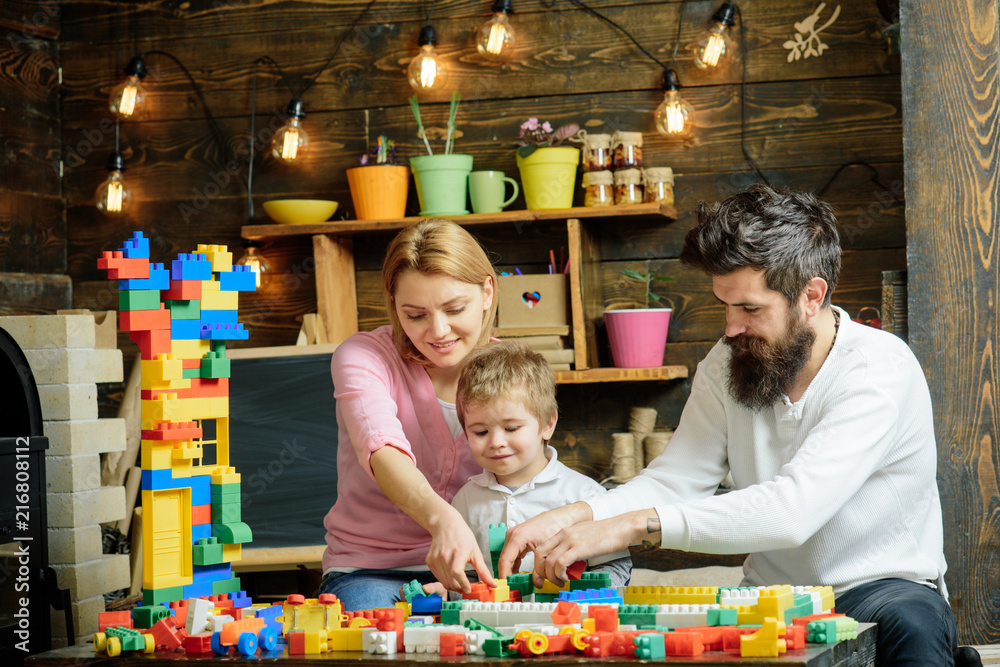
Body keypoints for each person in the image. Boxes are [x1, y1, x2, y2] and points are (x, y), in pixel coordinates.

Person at [498, 184, 967, 667]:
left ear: (811, 295)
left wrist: (632, 527)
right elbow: (675, 481)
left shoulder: (880, 368)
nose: (730, 327)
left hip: (881, 590)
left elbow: (792, 510)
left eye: (750, 309)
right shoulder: (727, 361)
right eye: (725, 305)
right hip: (773, 598)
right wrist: (577, 516)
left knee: (914, 624)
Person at [319, 218, 498, 610]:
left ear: (487, 292)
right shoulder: (363, 357)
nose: (439, 330)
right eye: (415, 315)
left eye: (455, 309)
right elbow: (382, 452)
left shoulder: (509, 370)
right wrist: (442, 520)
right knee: (379, 643)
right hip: (373, 569)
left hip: (475, 565)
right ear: (394, 305)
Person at [448, 340, 631, 586]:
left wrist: (583, 596)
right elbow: (468, 576)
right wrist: (449, 591)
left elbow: (616, 566)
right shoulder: (464, 502)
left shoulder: (585, 496)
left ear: (547, 424)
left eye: (511, 428)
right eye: (480, 432)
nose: (496, 442)